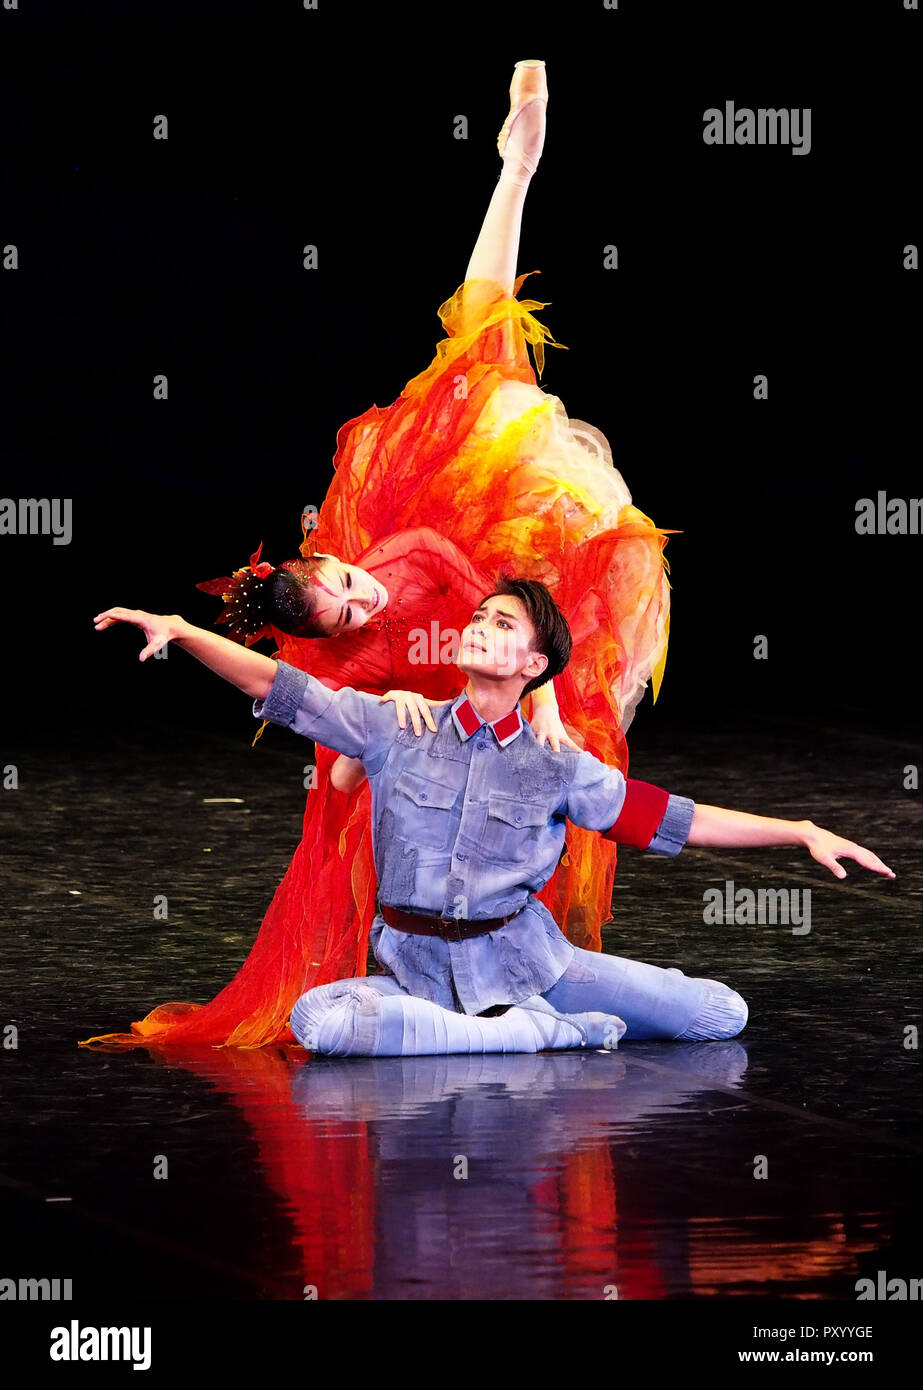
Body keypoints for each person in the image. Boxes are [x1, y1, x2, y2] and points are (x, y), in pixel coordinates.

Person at [79, 61, 675, 1050]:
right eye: (349, 609)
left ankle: (513, 169)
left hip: (484, 616)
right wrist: (381, 728)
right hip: (431, 704)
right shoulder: (347, 660)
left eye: (350, 583)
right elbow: (343, 765)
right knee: (391, 836)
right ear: (332, 635)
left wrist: (527, 688)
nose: (363, 598)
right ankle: (467, 972)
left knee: (478, 363)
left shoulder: (397, 546)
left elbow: (483, 590)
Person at [85, 583, 895, 1056]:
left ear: (533, 666)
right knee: (316, 1021)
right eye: (479, 617)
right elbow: (278, 688)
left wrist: (798, 830)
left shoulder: (559, 764)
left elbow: (672, 821)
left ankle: (522, 1021)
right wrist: (186, 630)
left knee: (721, 1015)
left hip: (526, 964)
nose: (479, 626)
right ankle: (538, 1040)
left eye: (501, 624)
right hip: (411, 969)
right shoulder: (391, 725)